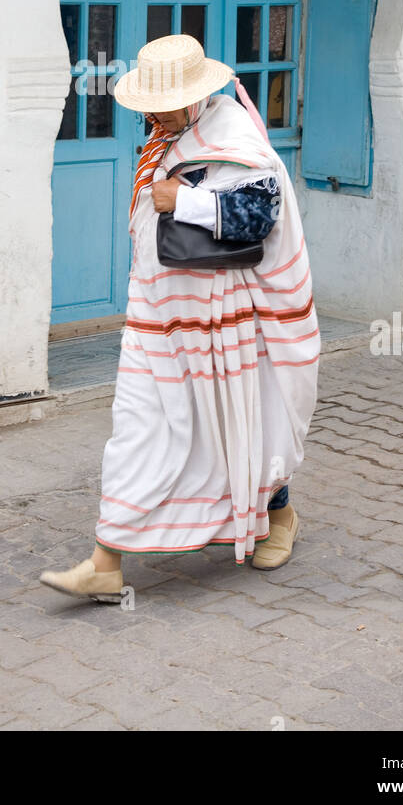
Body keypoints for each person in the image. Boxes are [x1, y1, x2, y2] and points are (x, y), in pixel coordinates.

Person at [40, 34, 320, 603]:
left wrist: (184, 201)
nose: (154, 115)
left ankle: (280, 515)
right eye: (149, 105)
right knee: (137, 427)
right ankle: (106, 561)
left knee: (241, 426)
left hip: (228, 322)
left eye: (163, 105)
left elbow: (260, 218)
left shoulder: (233, 136)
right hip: (158, 315)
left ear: (196, 97)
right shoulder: (170, 133)